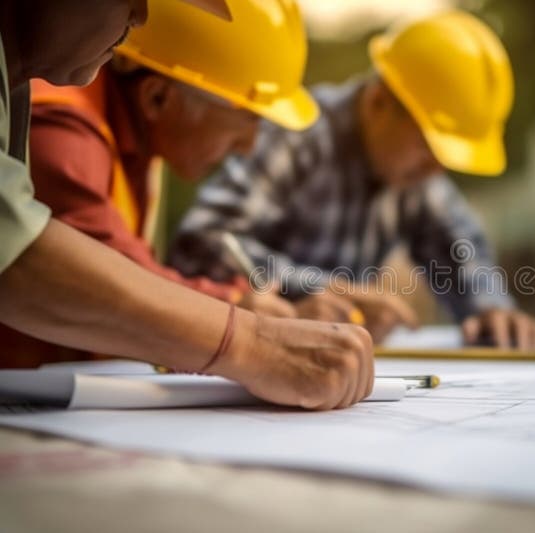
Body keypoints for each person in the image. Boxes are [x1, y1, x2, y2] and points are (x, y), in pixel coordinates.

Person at [0, 0, 372, 410]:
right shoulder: (65, 130)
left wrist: (240, 309)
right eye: (248, 118)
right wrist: (251, 335)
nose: (249, 147)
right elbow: (59, 267)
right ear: (158, 98)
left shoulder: (132, 140)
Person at [170, 10, 535, 349]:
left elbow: (460, 251)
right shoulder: (298, 139)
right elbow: (201, 243)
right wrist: (322, 290)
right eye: (429, 146)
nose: (437, 169)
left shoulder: (414, 176)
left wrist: (491, 310)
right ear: (378, 101)